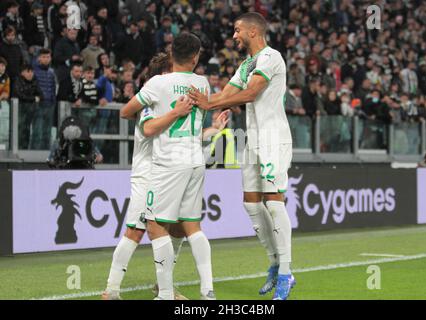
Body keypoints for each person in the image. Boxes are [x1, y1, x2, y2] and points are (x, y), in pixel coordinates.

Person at [103, 51, 229, 300]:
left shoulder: (168, 97)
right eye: (170, 73)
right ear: (162, 75)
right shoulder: (150, 104)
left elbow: (183, 134)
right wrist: (176, 112)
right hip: (148, 173)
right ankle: (112, 289)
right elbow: (149, 128)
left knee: (179, 230)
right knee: (136, 231)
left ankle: (164, 287)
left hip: (171, 172)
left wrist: (213, 129)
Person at [189, 12, 295, 300]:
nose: (233, 36)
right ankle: (274, 260)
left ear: (252, 32)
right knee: (250, 203)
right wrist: (205, 103)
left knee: (274, 203)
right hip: (252, 139)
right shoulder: (247, 64)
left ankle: (286, 272)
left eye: (237, 30)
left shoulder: (271, 57)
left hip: (274, 138)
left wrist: (208, 102)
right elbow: (228, 93)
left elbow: (249, 94)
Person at [135, 33, 216, 301]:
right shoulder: (203, 83)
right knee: (192, 225)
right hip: (196, 159)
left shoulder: (159, 82)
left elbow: (134, 112)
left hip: (169, 161)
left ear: (171, 54)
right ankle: (207, 291)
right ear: (195, 57)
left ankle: (165, 294)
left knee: (155, 225)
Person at [13, 64, 43, 149]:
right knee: (20, 130)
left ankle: (26, 149)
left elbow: (41, 95)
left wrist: (31, 98)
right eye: (28, 71)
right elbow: (20, 95)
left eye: (32, 71)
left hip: (31, 111)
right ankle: (17, 149)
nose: (30, 74)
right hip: (20, 110)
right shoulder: (17, 81)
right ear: (22, 72)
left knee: (27, 131)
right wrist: (33, 98)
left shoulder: (35, 81)